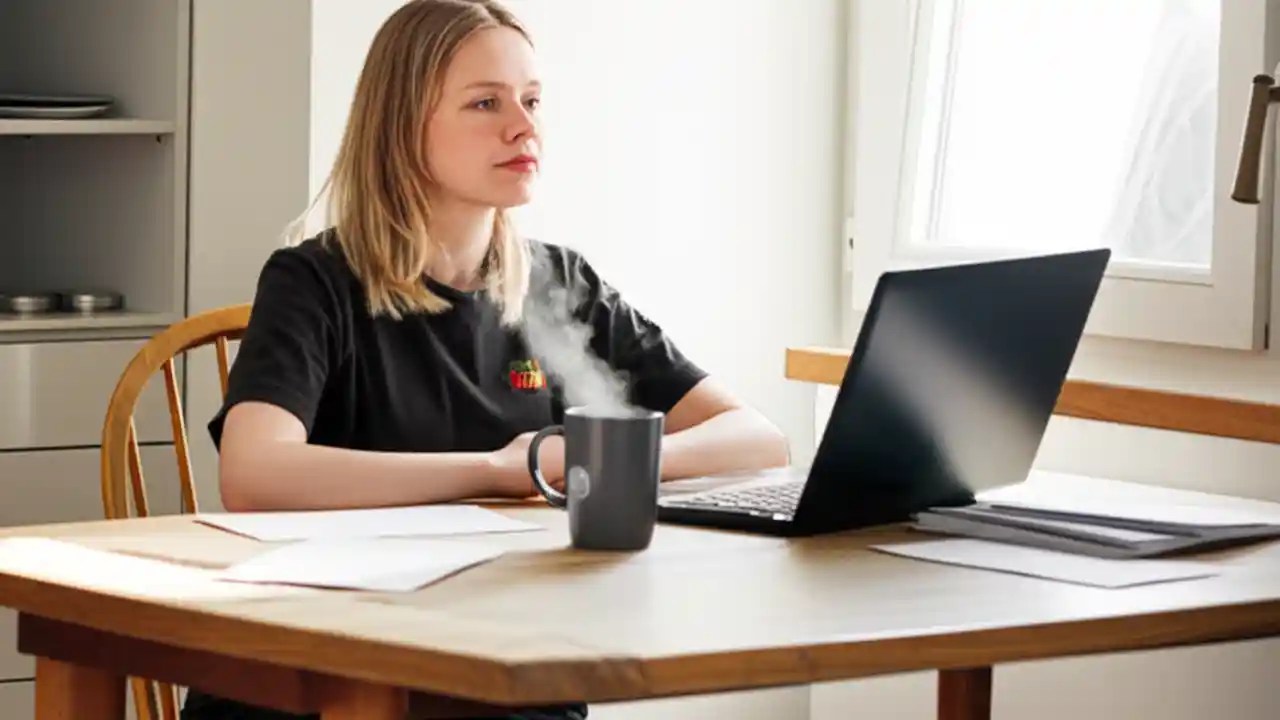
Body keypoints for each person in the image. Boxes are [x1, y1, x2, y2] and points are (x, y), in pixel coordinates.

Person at [181, 1, 790, 718]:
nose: (523, 126)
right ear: (404, 126)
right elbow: (254, 474)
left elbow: (759, 441)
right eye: (485, 103)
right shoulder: (313, 280)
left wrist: (592, 459)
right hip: (324, 673)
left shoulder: (563, 285)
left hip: (511, 661)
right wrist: (500, 470)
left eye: (532, 100)